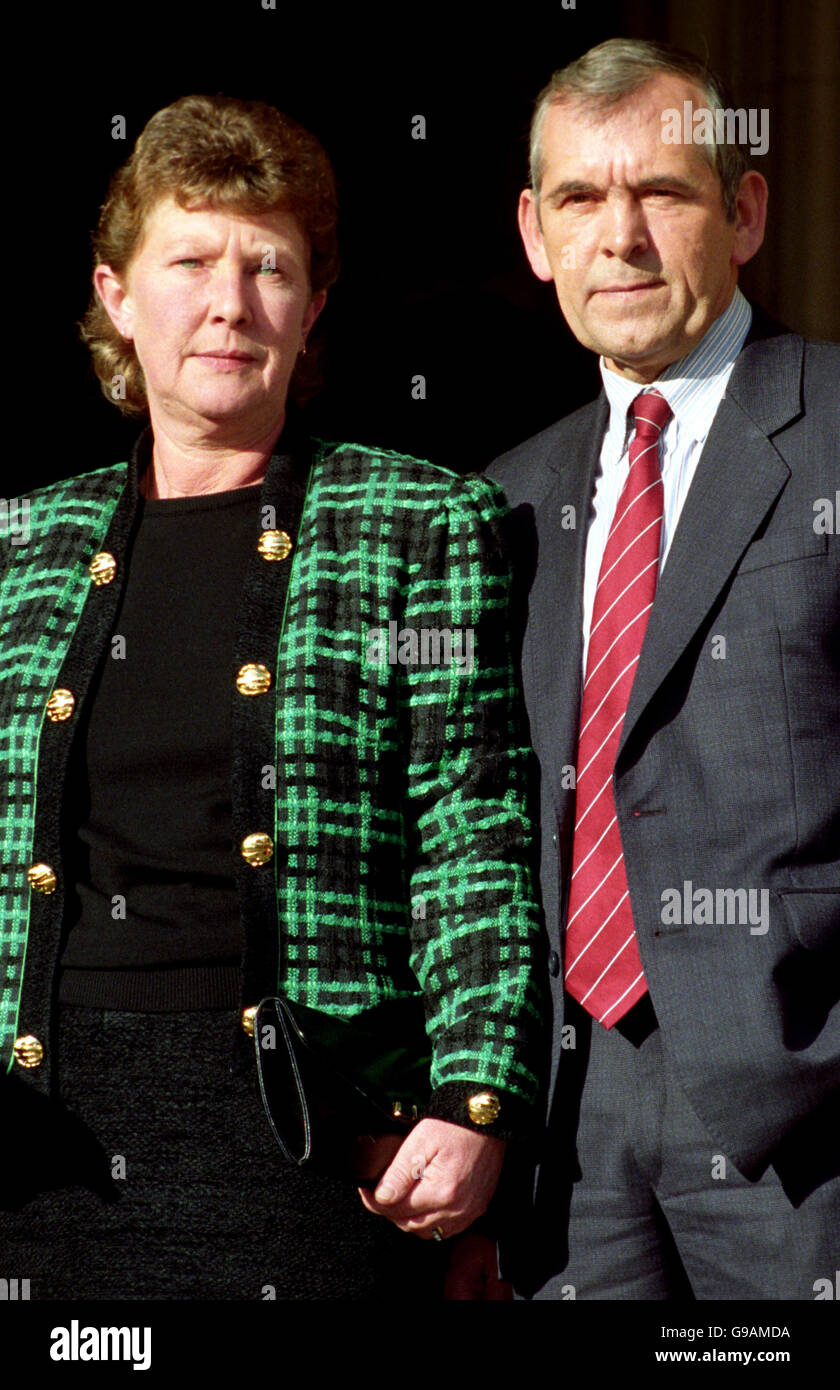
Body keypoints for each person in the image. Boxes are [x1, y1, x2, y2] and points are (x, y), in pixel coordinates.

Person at [0, 93, 546, 1300]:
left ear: (312, 309)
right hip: (43, 1144)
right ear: (116, 296)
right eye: (190, 260)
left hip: (308, 1137)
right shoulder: (22, 543)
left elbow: (471, 826)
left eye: (271, 268)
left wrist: (475, 1096)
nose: (230, 304)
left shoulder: (420, 523)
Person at [487, 37, 840, 1299]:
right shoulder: (505, 502)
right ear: (536, 235)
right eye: (581, 199)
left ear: (744, 212)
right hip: (564, 1135)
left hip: (806, 1129)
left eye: (665, 193)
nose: (620, 236)